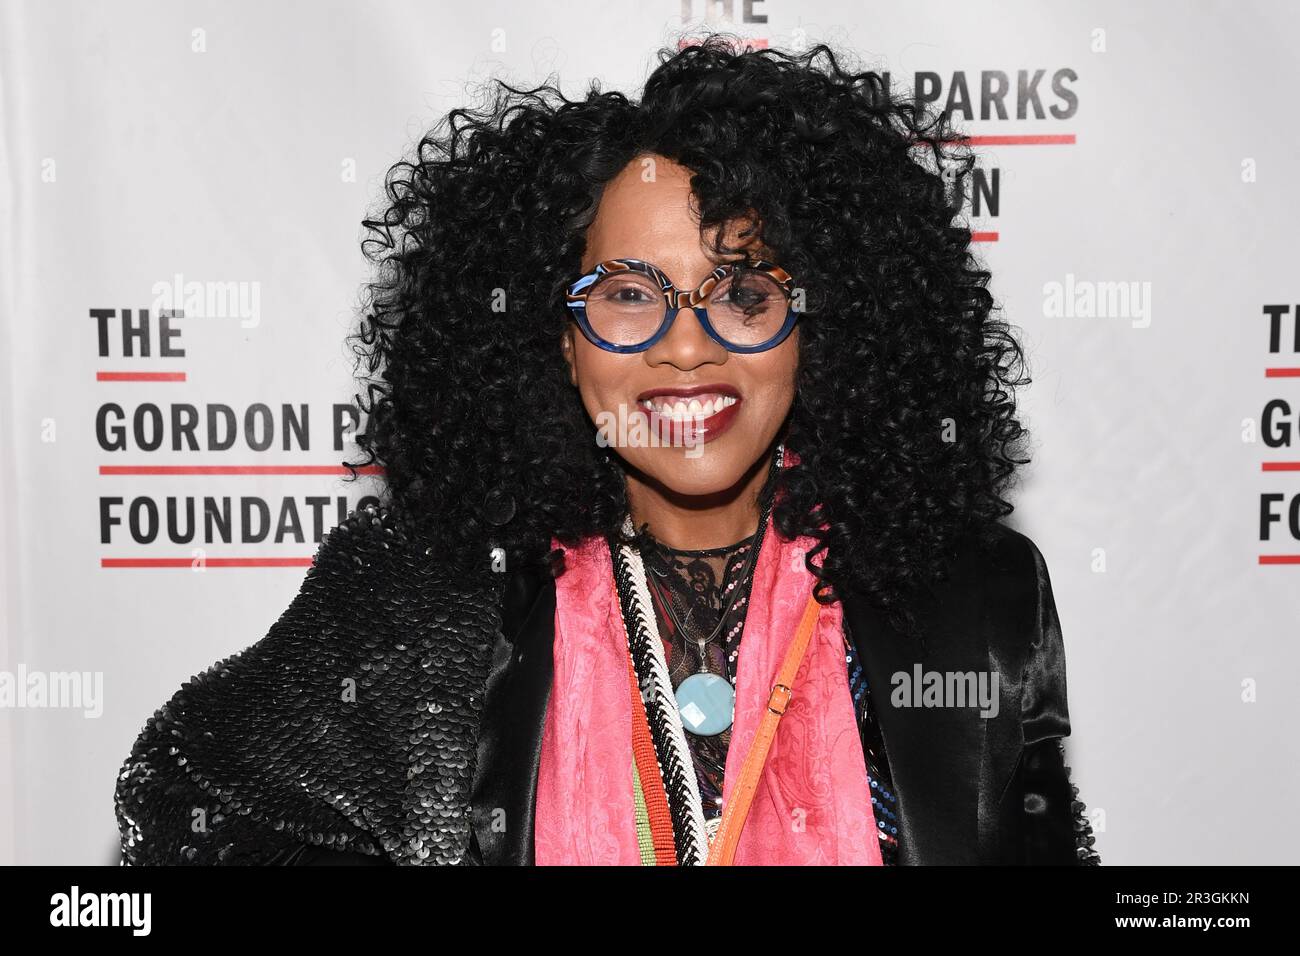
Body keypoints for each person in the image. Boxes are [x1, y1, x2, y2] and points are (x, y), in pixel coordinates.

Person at [114, 36, 1100, 866]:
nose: (685, 344)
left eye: (743, 294)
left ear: (819, 327)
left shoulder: (969, 594)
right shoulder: (425, 591)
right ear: (558, 334)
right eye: (628, 294)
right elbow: (187, 788)